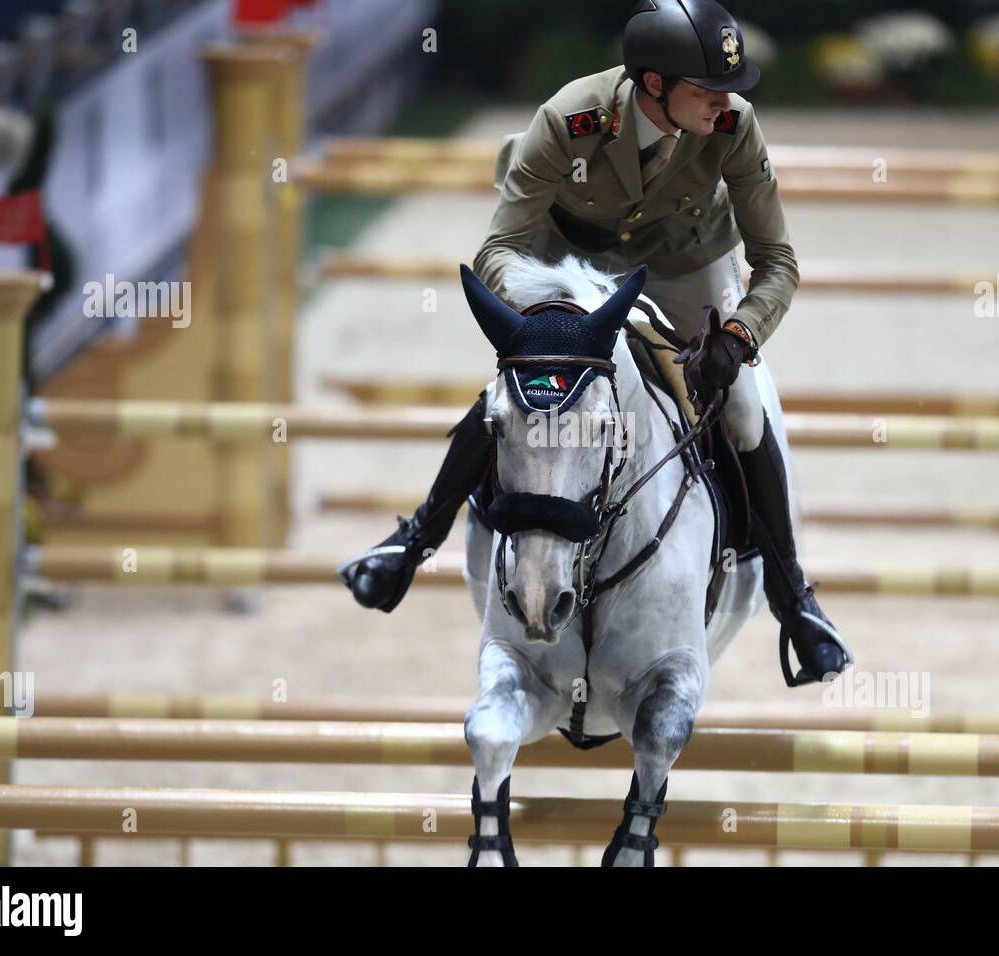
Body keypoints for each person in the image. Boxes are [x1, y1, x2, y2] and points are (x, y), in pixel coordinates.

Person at [345, 0, 850, 687]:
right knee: (524, 390)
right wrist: (546, 318)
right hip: (571, 264)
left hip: (687, 264)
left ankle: (796, 599)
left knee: (742, 408)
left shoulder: (733, 124)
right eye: (706, 89)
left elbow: (778, 261)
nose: (724, 102)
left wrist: (739, 333)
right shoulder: (569, 118)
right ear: (652, 86)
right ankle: (412, 541)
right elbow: (499, 247)